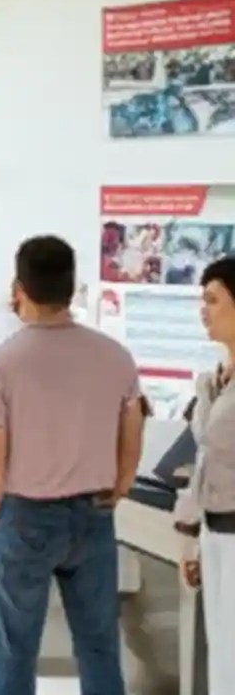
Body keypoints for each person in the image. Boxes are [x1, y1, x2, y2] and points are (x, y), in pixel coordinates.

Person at [0, 236, 143, 695]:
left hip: (23, 519)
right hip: (93, 516)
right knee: (99, 645)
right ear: (72, 286)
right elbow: (132, 430)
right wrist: (119, 486)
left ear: (19, 288)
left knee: (14, 650)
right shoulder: (114, 356)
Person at [175, 256, 235, 692]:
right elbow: (204, 459)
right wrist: (191, 533)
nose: (204, 310)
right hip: (216, 531)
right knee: (222, 655)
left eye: (213, 300)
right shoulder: (215, 379)